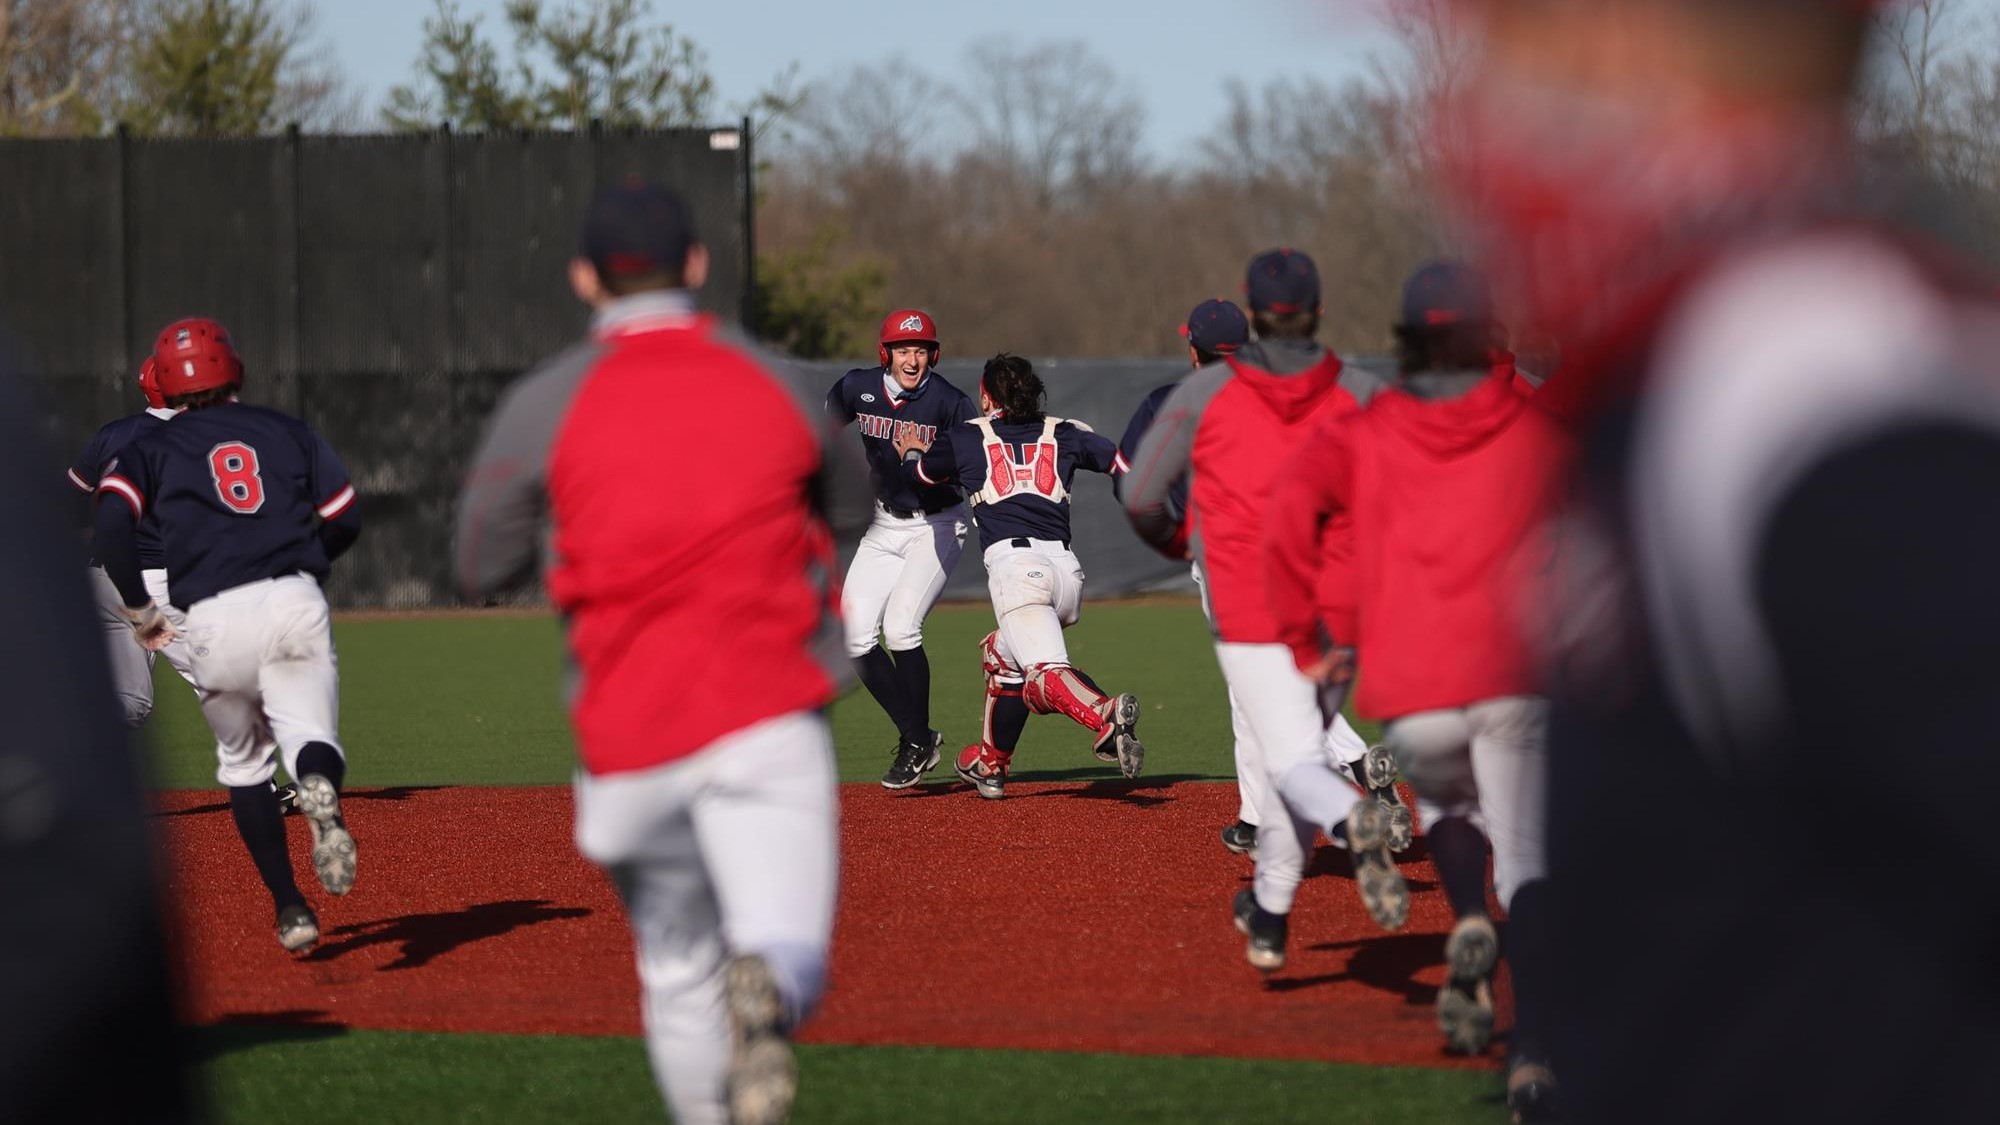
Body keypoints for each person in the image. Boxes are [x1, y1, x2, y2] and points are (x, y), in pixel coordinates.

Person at [1440, 2, 2000, 1122]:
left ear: (1624, 48)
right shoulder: (1717, 347)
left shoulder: (1809, 373)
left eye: (1517, 41)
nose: (1474, 102)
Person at [455, 177, 871, 1125]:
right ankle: (771, 988)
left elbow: (480, 561)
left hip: (630, 732)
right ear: (696, 264)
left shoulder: (547, 399)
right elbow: (851, 507)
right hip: (769, 710)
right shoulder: (776, 378)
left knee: (678, 967)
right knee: (781, 941)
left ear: (584, 279)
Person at [1264, 261, 1566, 1120]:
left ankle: (1465, 909)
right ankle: (1534, 1050)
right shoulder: (1535, 423)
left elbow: (1290, 514)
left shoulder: (1371, 426)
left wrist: (1302, 635)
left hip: (1418, 677)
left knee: (1446, 808)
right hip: (1514, 670)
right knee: (1533, 861)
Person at [1123, 249, 1406, 973]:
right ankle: (1270, 916)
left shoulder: (1206, 393)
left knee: (1290, 759)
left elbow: (1142, 496)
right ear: (1318, 309)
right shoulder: (1364, 390)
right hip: (1339, 602)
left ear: (1256, 313)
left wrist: (1178, 542)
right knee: (1284, 750)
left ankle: (1353, 817)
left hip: (1249, 595)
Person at [93, 316, 361, 955]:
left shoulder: (146, 447)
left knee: (245, 767)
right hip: (290, 596)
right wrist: (310, 560)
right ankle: (320, 788)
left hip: (211, 612)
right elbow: (345, 515)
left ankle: (290, 907)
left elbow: (110, 529)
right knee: (308, 736)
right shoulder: (284, 430)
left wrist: (139, 609)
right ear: (234, 368)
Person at [893, 353, 1143, 799]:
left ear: (987, 396)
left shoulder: (967, 438)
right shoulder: (1065, 431)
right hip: (1066, 575)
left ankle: (1104, 713)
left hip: (1017, 572)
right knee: (1003, 658)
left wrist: (912, 450)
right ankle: (991, 764)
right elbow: (1120, 466)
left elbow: (918, 478)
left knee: (1045, 674)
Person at [69, 355, 296, 813]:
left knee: (128, 701)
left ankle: (54, 762)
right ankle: (261, 791)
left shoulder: (112, 434)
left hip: (103, 578)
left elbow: (69, 503)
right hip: (165, 584)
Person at [825, 310, 977, 789]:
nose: (911, 360)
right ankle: (918, 737)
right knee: (852, 637)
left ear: (933, 353)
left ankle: (915, 741)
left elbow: (973, 463)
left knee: (901, 628)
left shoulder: (950, 402)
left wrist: (917, 457)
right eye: (902, 349)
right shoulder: (858, 388)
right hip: (884, 524)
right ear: (885, 352)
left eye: (920, 349)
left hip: (937, 523)